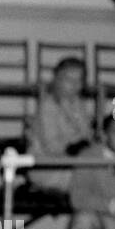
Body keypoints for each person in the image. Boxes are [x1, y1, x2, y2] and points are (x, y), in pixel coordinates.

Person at [28, 56, 94, 194]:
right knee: (91, 181)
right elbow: (52, 147)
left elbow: (87, 136)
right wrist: (76, 146)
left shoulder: (79, 105)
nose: (75, 85)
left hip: (74, 164)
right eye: (69, 80)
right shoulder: (47, 106)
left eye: (79, 80)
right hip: (48, 167)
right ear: (57, 80)